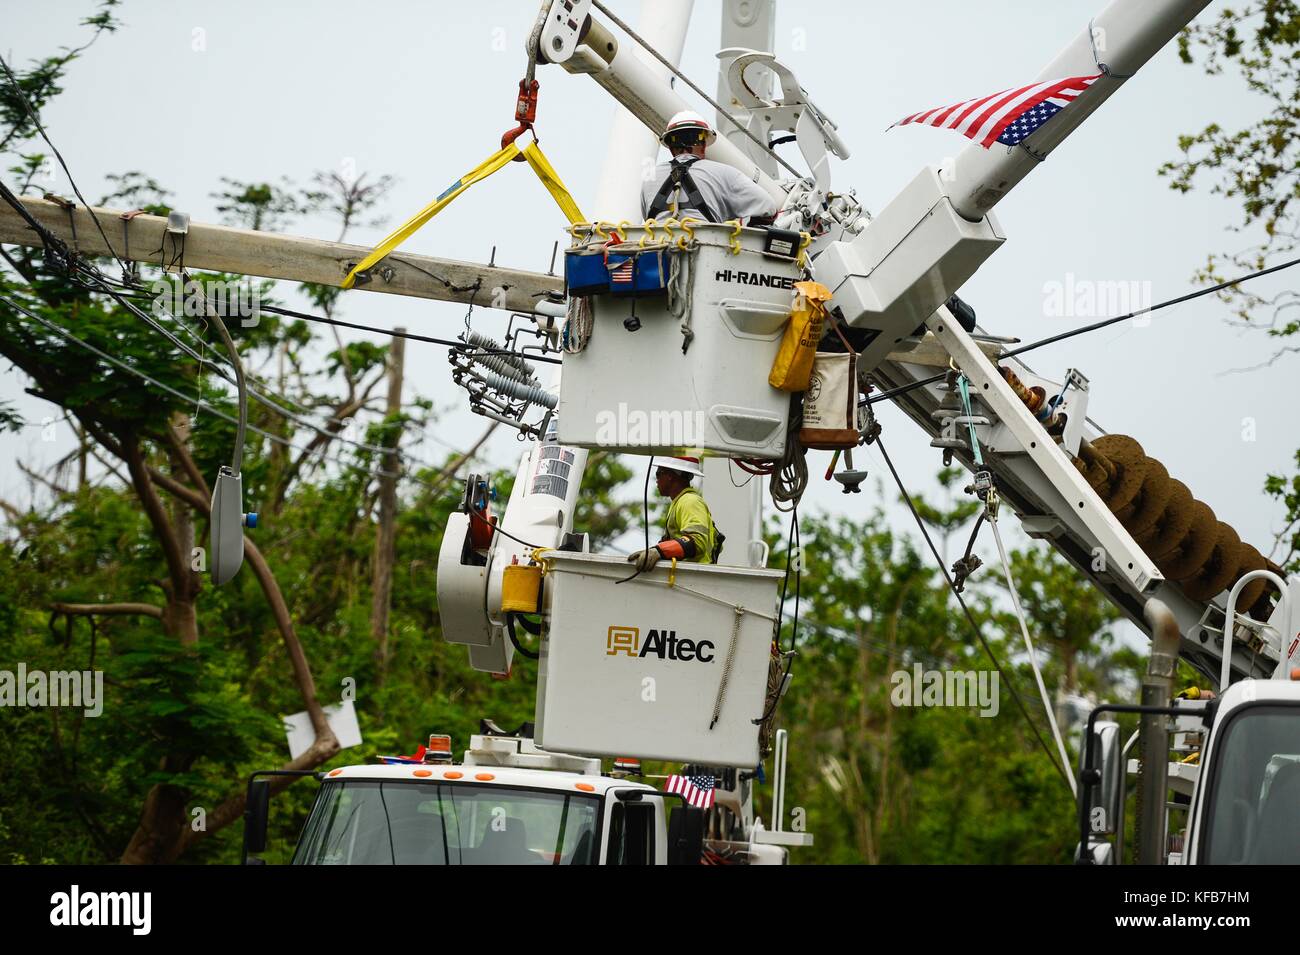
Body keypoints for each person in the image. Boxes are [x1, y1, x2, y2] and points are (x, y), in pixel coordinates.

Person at [640, 111, 778, 225]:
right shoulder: (725, 173)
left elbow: (648, 218)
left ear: (670, 148)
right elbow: (768, 207)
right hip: (707, 251)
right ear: (704, 145)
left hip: (654, 251)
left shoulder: (650, 177)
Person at [626, 456, 718, 572]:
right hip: (688, 577)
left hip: (695, 578)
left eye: (658, 473)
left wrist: (658, 551)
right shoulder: (679, 502)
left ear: (670, 476)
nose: (656, 480)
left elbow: (697, 541)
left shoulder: (690, 501)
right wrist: (654, 551)